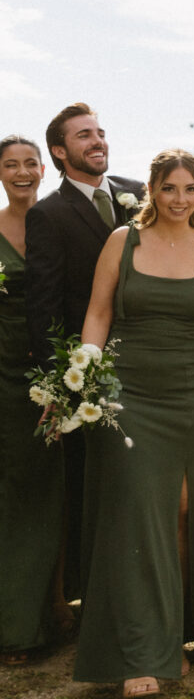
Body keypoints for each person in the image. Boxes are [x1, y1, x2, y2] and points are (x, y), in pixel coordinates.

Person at [74, 151, 194, 697]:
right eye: (169, 188)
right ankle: (140, 656)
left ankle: (179, 628)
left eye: (190, 189)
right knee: (137, 511)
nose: (180, 199)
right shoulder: (121, 243)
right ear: (151, 190)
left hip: (192, 394)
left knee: (183, 511)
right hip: (127, 393)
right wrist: (85, 371)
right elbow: (99, 312)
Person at [24, 104, 145, 603]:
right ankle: (92, 595)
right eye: (83, 136)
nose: (97, 141)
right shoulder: (48, 215)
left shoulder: (141, 194)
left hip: (151, 358)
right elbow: (44, 308)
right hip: (92, 377)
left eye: (100, 133)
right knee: (92, 490)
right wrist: (66, 383)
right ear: (59, 151)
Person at [0, 136, 67, 664]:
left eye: (29, 163)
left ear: (44, 169)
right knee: (17, 494)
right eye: (10, 165)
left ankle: (57, 607)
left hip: (58, 369)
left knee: (55, 489)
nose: (22, 172)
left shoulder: (57, 219)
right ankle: (19, 627)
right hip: (3, 377)